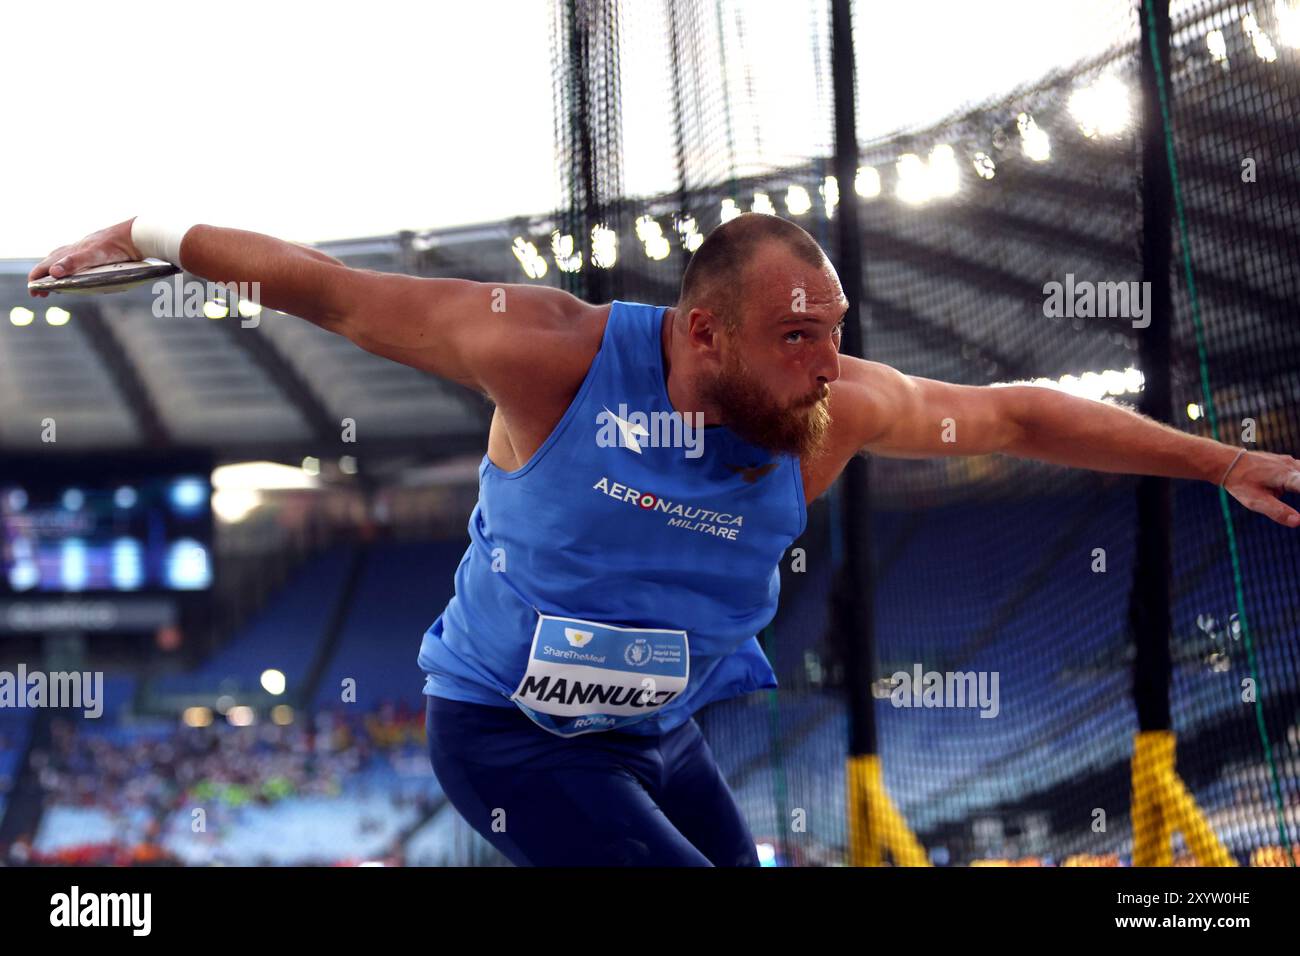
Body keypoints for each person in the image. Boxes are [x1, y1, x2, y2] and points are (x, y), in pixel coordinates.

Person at [29, 212, 1300, 866]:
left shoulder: (835, 404)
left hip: (654, 733)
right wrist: (147, 236)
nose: (827, 366)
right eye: (793, 337)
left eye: (834, 329)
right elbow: (331, 289)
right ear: (699, 334)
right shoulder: (548, 353)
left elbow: (1020, 416)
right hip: (503, 731)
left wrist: (1223, 459)